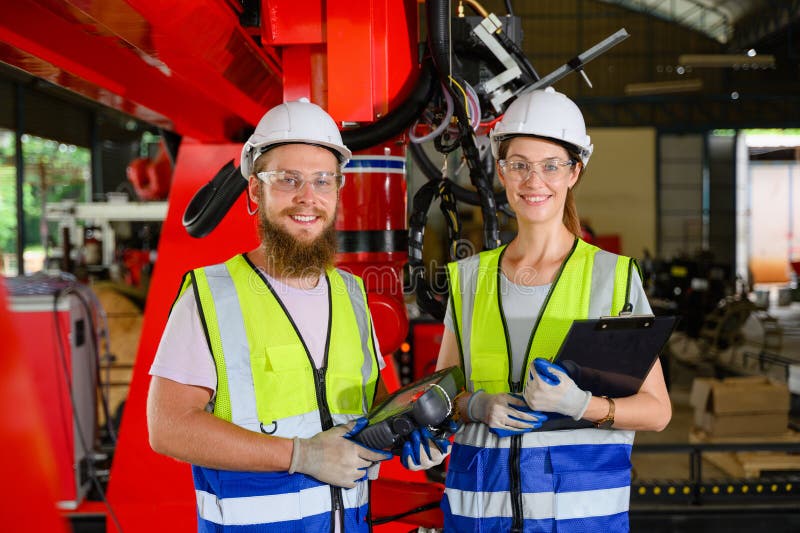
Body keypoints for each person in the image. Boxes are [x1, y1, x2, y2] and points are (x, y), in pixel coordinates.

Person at [147, 99, 438, 532]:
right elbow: (168, 427)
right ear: (253, 191)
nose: (308, 197)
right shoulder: (210, 295)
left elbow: (370, 405)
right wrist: (302, 455)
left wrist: (408, 435)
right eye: (288, 180)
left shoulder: (352, 294)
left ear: (338, 191)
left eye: (323, 180)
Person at [435, 87, 671, 532]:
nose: (533, 180)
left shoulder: (612, 277)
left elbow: (657, 411)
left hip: (579, 520)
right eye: (519, 165)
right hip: (481, 520)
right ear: (501, 172)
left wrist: (584, 404)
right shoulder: (468, 279)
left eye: (550, 166)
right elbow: (444, 397)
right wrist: (476, 405)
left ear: (574, 172)